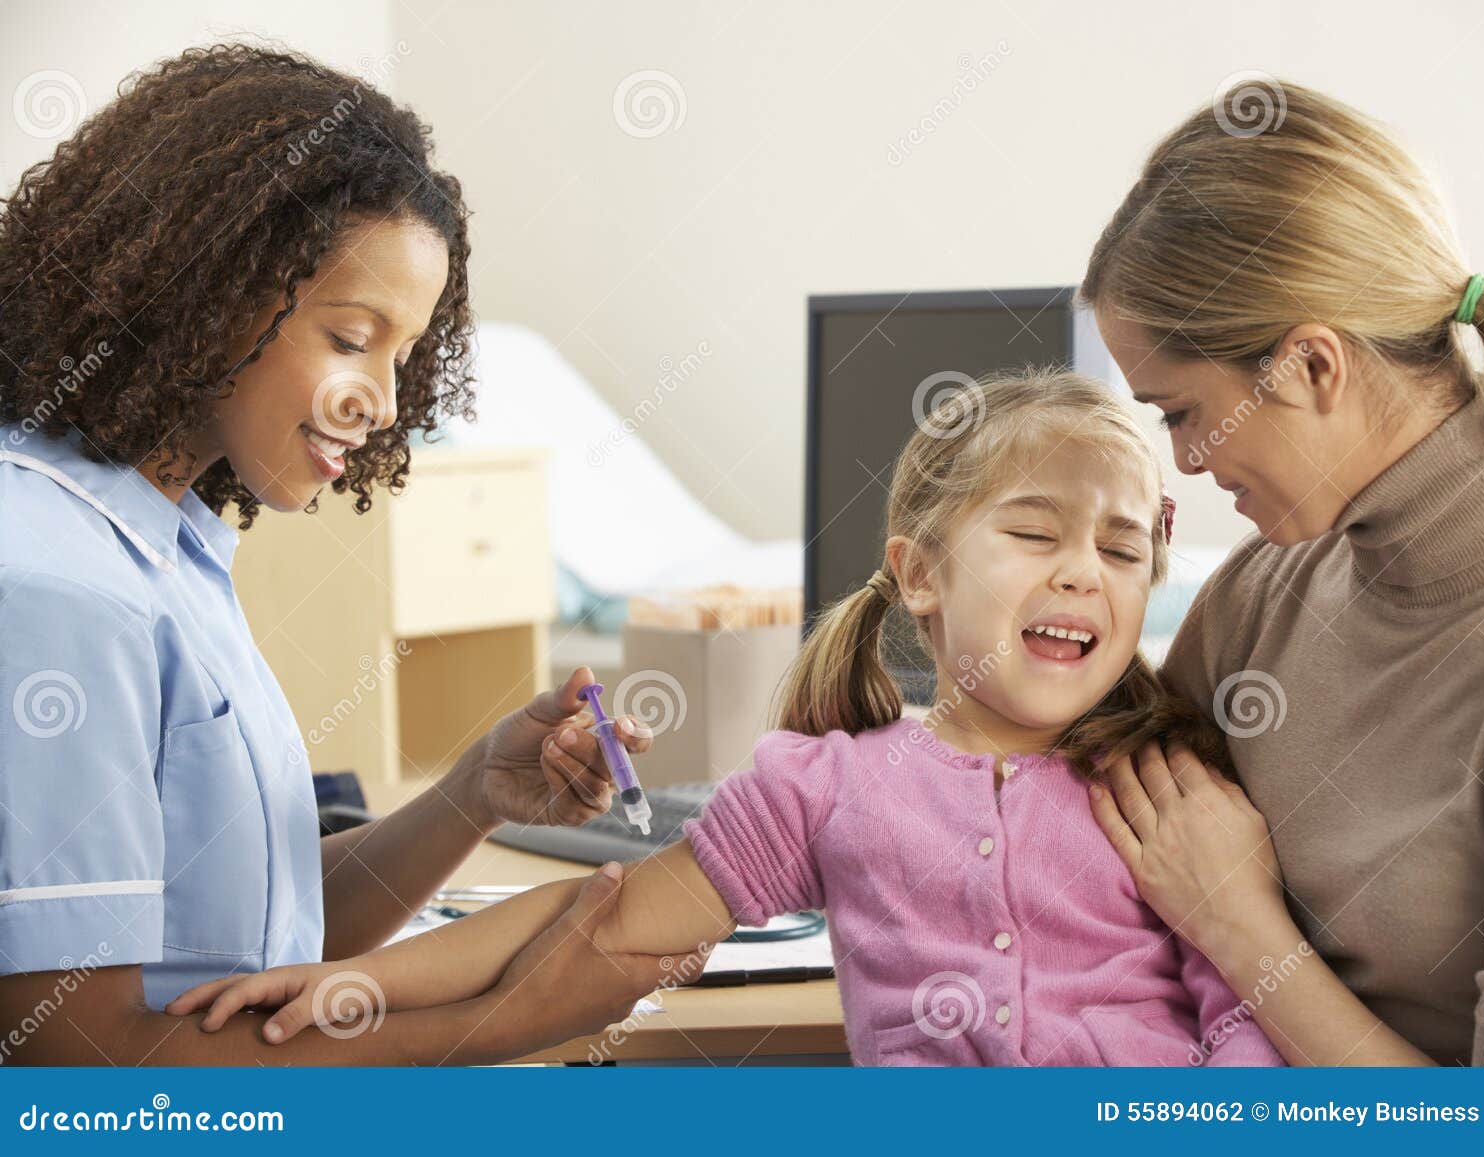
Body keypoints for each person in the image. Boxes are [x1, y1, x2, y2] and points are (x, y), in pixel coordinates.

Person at [166, 369, 1285, 1067]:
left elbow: (1235, 1007)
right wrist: (346, 982)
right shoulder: (830, 785)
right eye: (1037, 536)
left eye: (1124, 549)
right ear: (923, 574)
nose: (1085, 574)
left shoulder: (1163, 787)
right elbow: (595, 908)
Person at [0, 44, 700, 1065]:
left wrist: (473, 794)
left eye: (403, 353)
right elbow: (81, 1065)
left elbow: (264, 942)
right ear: (208, 290)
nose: (381, 400)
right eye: (350, 336)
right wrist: (507, 1019)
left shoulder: (167, 545)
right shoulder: (58, 584)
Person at [1081, 79, 1484, 1065]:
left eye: (1179, 412)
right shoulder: (1265, 593)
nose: (1183, 464)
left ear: (1311, 367)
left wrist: (1238, 923)